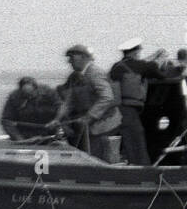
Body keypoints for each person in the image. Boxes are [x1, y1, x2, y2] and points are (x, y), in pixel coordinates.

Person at [55, 45, 121, 161]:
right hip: (89, 125)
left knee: (96, 157)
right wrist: (57, 119)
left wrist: (89, 116)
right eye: (69, 58)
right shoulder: (74, 77)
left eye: (72, 58)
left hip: (104, 124)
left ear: (84, 58)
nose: (69, 61)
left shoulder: (95, 73)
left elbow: (107, 97)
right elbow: (68, 102)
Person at [108, 37, 168, 165]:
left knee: (128, 142)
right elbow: (158, 73)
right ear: (135, 52)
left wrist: (155, 55)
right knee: (137, 142)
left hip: (117, 111)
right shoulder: (140, 66)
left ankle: (130, 165)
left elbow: (142, 64)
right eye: (139, 51)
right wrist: (162, 57)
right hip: (129, 111)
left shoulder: (117, 66)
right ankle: (142, 173)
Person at [0, 76, 60, 141]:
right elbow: (6, 121)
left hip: (49, 133)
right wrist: (20, 139)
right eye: (26, 95)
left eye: (31, 94)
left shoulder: (49, 93)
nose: (29, 97)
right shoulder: (14, 98)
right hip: (25, 134)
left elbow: (62, 107)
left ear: (36, 89)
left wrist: (57, 120)